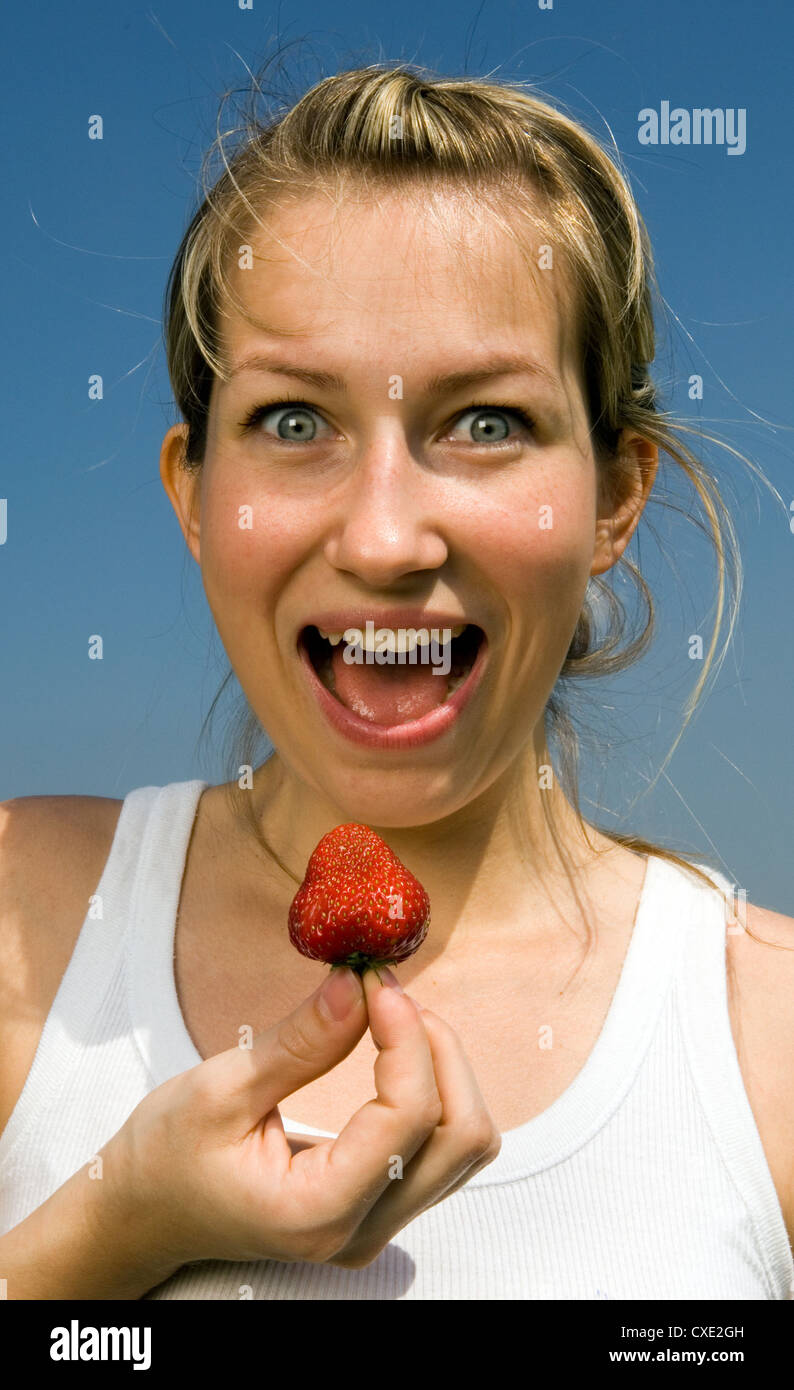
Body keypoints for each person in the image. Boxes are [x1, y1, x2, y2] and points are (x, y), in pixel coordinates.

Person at [1, 62, 792, 1301]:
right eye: (293, 421)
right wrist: (108, 1229)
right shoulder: (20, 925)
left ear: (616, 496)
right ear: (191, 494)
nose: (381, 539)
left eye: (484, 422)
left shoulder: (768, 1035)